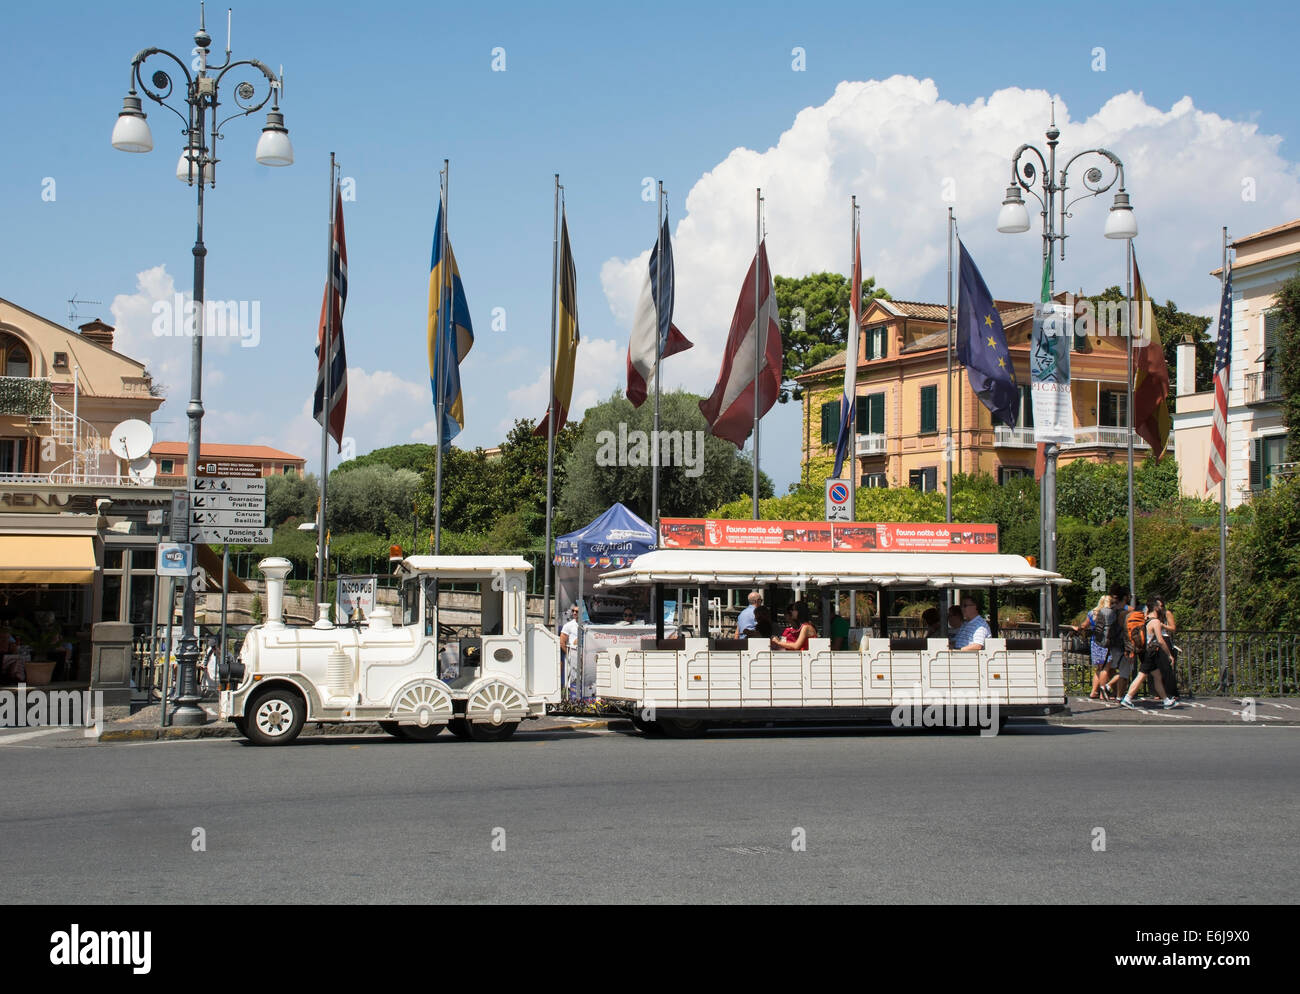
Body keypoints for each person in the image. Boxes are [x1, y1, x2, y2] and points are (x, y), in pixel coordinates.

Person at [1122, 604, 1177, 709]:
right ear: (1155, 609)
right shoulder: (1155, 622)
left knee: (1157, 676)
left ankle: (1166, 701)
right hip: (1150, 653)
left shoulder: (1145, 621)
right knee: (1141, 675)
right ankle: (1127, 698)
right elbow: (1160, 641)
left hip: (1144, 652)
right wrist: (1169, 654)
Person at [1072, 594, 1113, 699]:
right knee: (1105, 668)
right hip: (1107, 642)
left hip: (1095, 642)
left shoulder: (1092, 613)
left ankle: (1094, 691)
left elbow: (1084, 626)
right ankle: (1102, 693)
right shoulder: (1110, 614)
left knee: (1099, 668)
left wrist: (1077, 628)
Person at [559, 604, 581, 698]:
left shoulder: (587, 624)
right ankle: (570, 698)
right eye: (573, 611)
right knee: (572, 679)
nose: (574, 613)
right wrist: (570, 655)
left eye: (577, 611)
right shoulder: (568, 625)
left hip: (584, 656)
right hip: (572, 656)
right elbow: (562, 643)